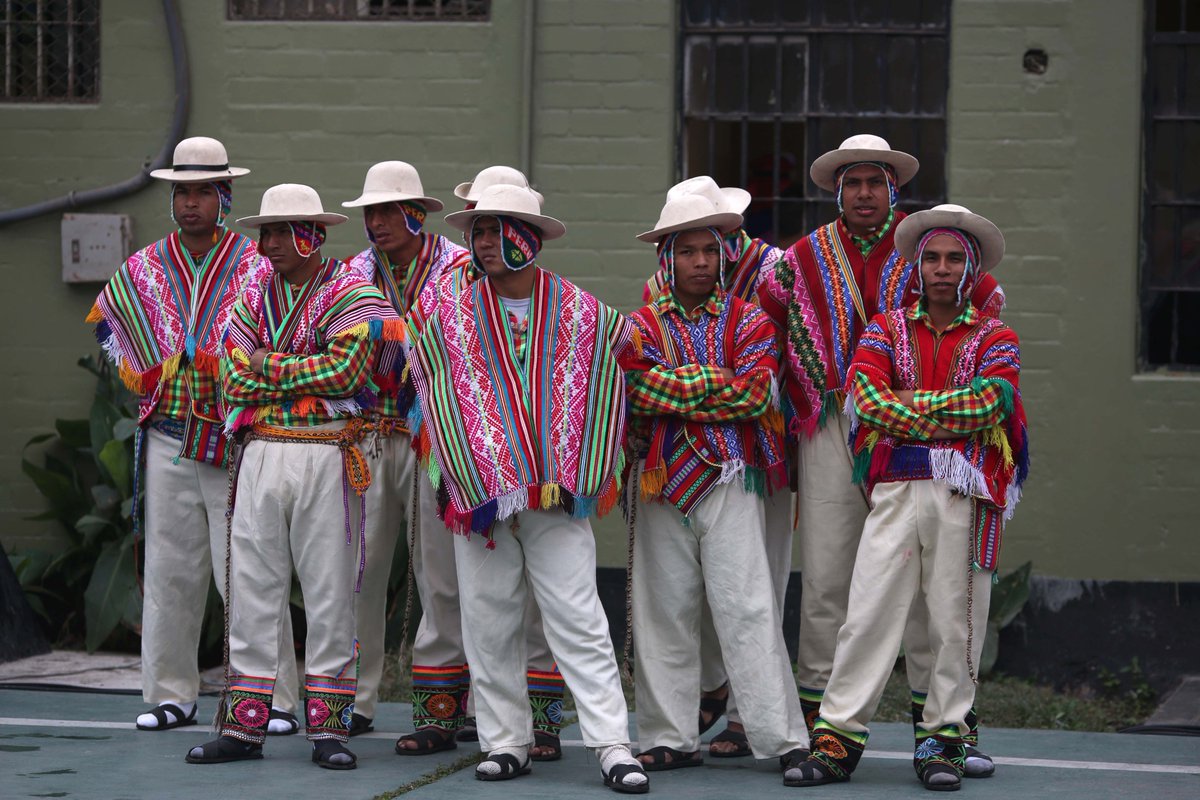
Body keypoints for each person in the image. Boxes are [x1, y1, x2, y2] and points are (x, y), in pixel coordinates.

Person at [758, 135, 1005, 774]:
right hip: (830, 419)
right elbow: (765, 330)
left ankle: (944, 732)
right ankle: (821, 727)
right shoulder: (801, 258)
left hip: (920, 450)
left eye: (875, 182)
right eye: (853, 183)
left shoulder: (932, 249)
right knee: (829, 575)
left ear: (893, 188)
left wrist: (914, 410)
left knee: (939, 591)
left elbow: (991, 336)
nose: (864, 193)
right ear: (837, 190)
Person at [404, 183, 648, 793]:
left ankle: (612, 744)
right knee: (488, 618)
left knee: (577, 615)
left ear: (529, 237)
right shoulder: (448, 316)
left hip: (556, 491)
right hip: (480, 496)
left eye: (498, 229)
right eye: (478, 231)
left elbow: (630, 353)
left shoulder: (582, 310)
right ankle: (505, 741)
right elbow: (425, 380)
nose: (485, 242)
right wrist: (469, 460)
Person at [87, 137, 300, 735]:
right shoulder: (146, 266)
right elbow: (113, 325)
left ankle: (277, 696)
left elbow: (282, 337)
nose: (190, 203)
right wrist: (152, 368)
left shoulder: (259, 265)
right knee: (171, 569)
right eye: (182, 191)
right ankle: (170, 694)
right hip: (168, 436)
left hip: (237, 438)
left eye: (203, 190)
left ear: (225, 196)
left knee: (253, 568)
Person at [185, 184, 401, 769]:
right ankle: (243, 727)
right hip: (259, 453)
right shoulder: (251, 291)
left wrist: (265, 365)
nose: (271, 243)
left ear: (314, 234)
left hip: (328, 454)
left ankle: (329, 729)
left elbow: (348, 371)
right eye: (266, 232)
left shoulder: (353, 291)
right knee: (252, 586)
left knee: (331, 589)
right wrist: (290, 370)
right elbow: (232, 376)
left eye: (283, 232)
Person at [624, 193, 808, 779]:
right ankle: (668, 737)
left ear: (725, 256)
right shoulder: (641, 324)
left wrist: (676, 385)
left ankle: (780, 737)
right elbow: (635, 391)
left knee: (748, 605)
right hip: (660, 484)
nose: (702, 261)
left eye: (711, 250)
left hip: (730, 478)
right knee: (664, 610)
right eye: (689, 252)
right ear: (667, 259)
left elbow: (757, 395)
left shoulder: (749, 320)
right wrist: (712, 382)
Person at [340, 161, 470, 741]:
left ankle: (448, 706)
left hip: (434, 442)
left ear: (415, 214)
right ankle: (352, 699)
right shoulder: (352, 274)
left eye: (389, 211)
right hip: (366, 436)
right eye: (370, 212)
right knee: (354, 572)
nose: (377, 222)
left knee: (440, 576)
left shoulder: (460, 269)